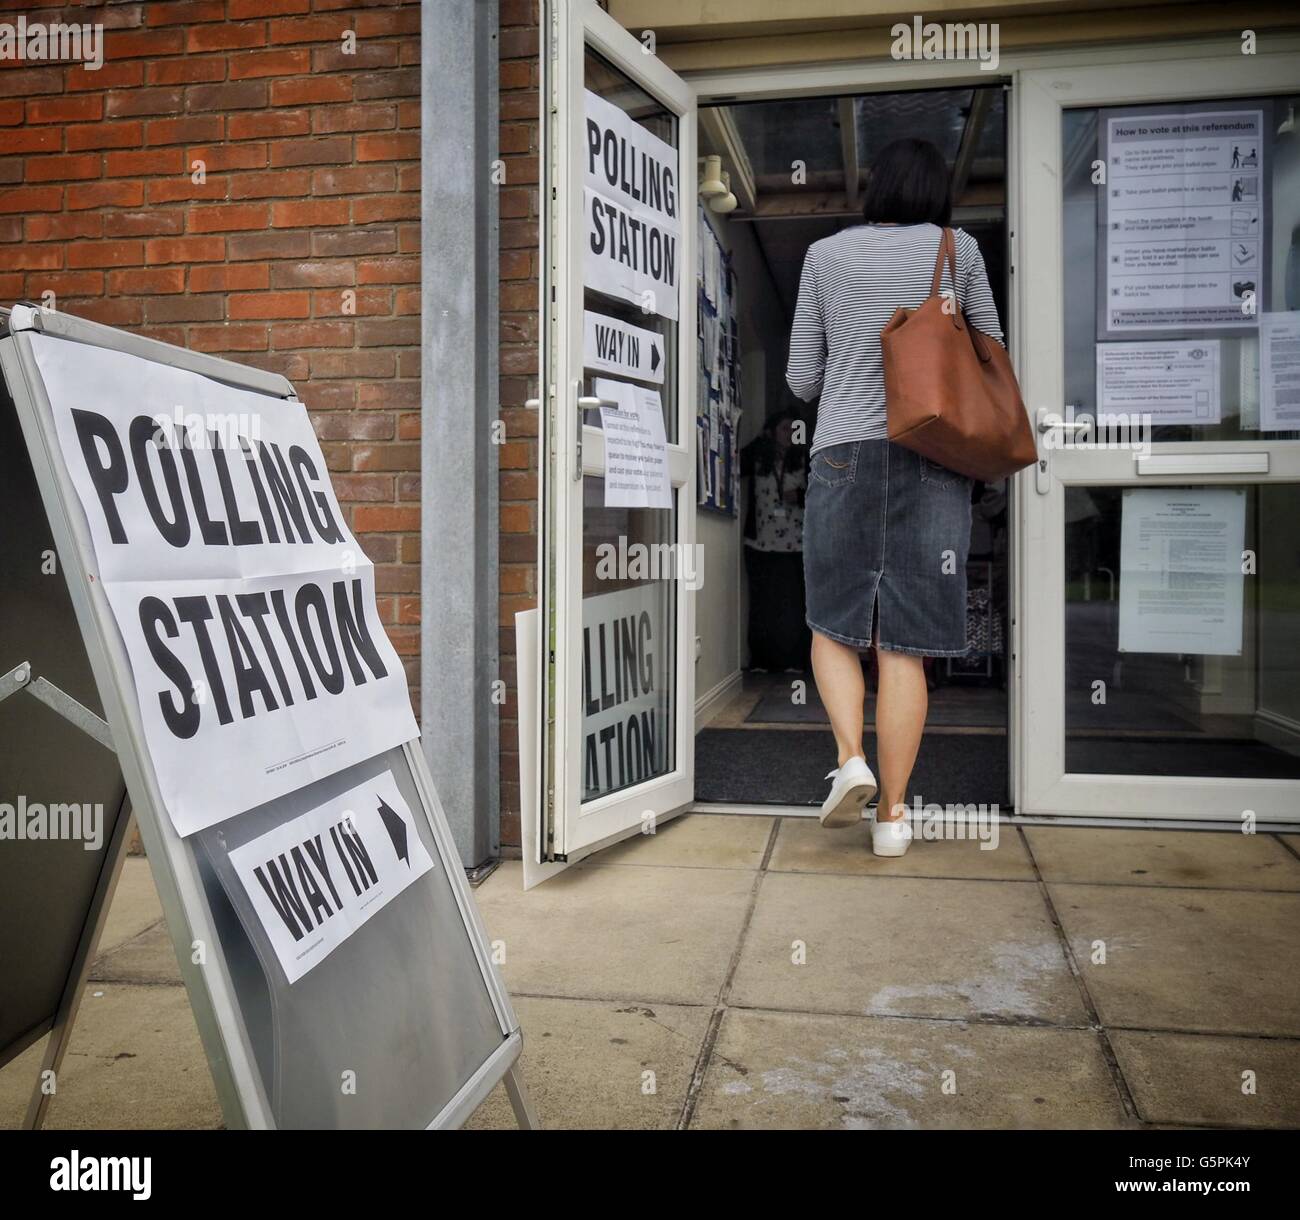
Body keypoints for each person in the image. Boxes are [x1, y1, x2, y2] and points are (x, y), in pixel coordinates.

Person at [785, 137, 1005, 857]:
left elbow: (801, 380)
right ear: (938, 190)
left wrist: (855, 358)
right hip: (934, 457)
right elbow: (990, 352)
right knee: (904, 644)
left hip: (843, 454)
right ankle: (894, 818)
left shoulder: (823, 255)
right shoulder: (958, 249)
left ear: (875, 187)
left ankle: (851, 758)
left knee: (833, 623)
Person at [740, 408, 811, 672]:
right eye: (784, 429)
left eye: (794, 429)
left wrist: (800, 496)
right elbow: (736, 463)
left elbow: (821, 491)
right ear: (772, 431)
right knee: (763, 603)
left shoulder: (804, 458)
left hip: (796, 545)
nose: (790, 434)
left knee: (792, 605)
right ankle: (762, 660)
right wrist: (762, 438)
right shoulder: (759, 457)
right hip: (760, 544)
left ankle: (794, 660)